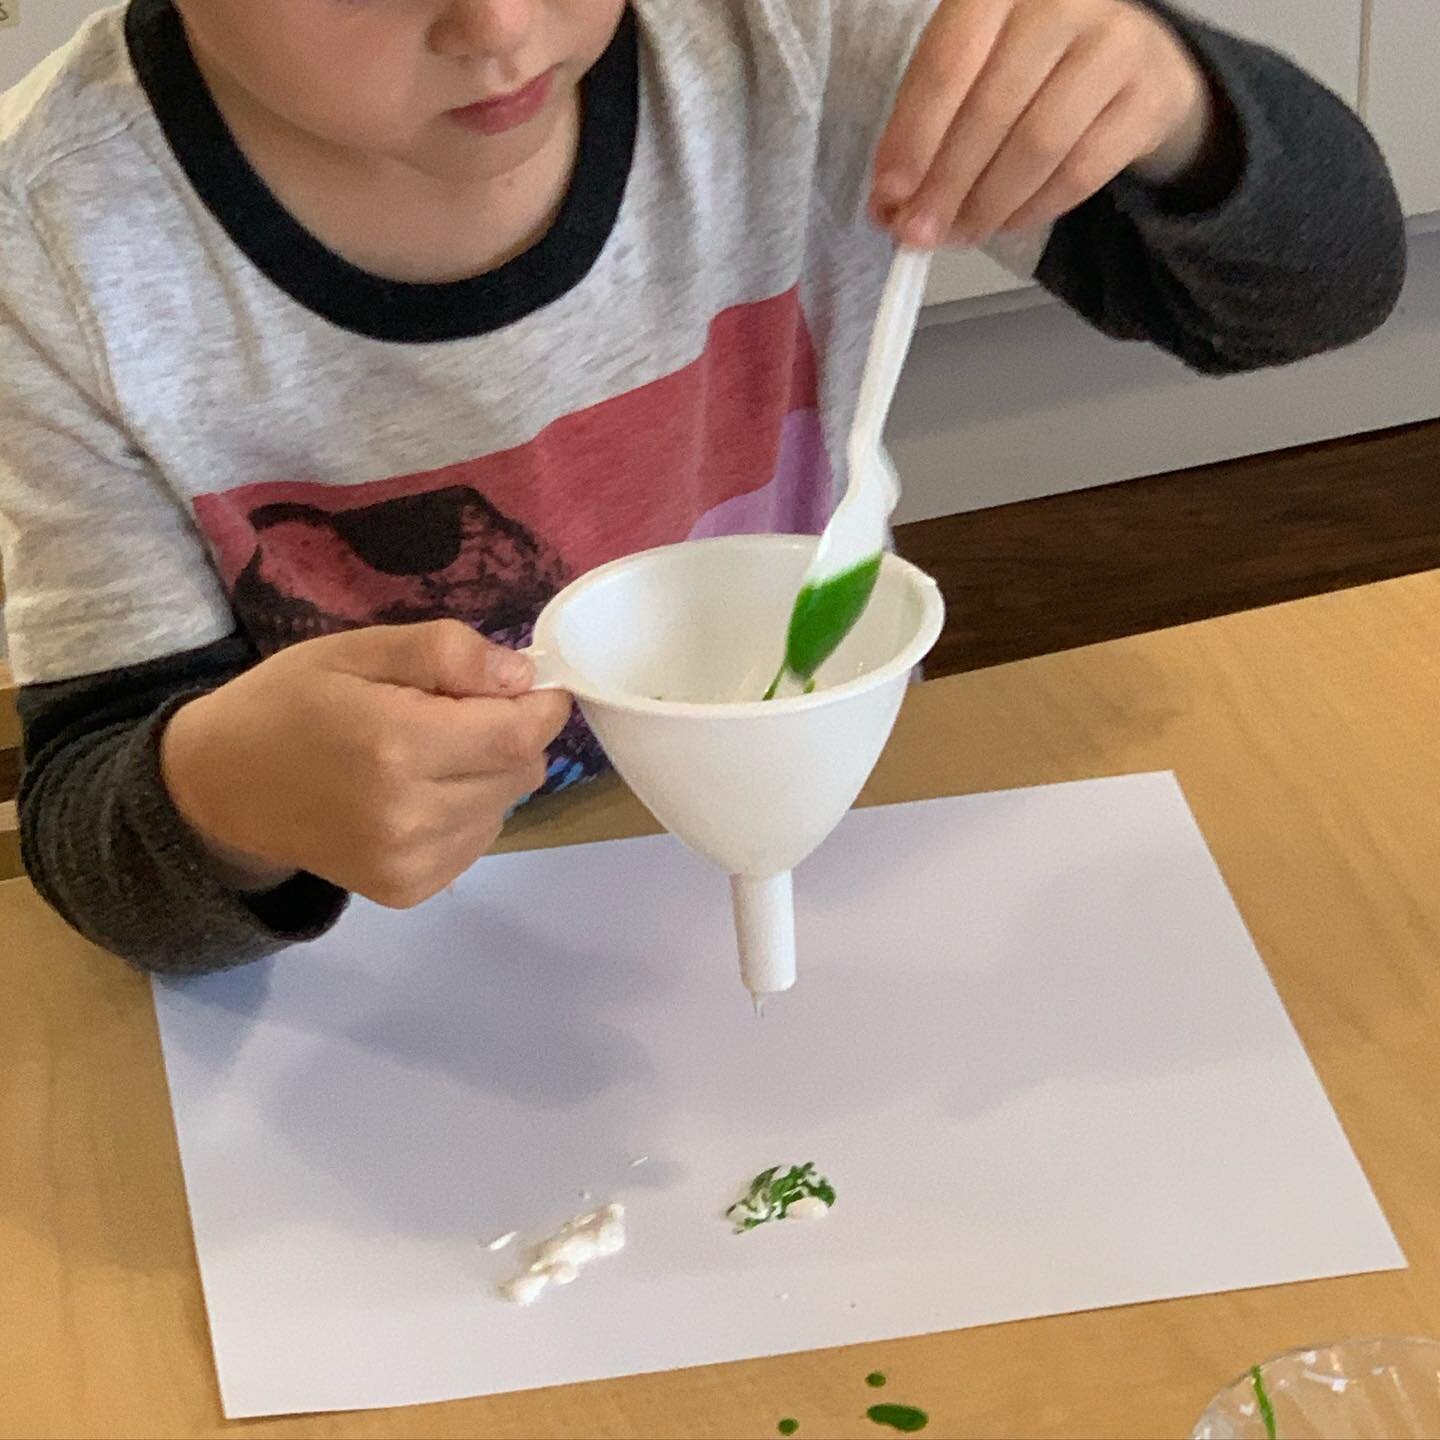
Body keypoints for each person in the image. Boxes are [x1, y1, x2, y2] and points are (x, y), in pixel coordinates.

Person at [0, 0, 1405, 973]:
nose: (496, 26)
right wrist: (227, 801)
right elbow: (95, 820)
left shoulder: (798, 32)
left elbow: (1310, 296)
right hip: (420, 939)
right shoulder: (50, 248)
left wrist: (1174, 108)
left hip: (844, 824)